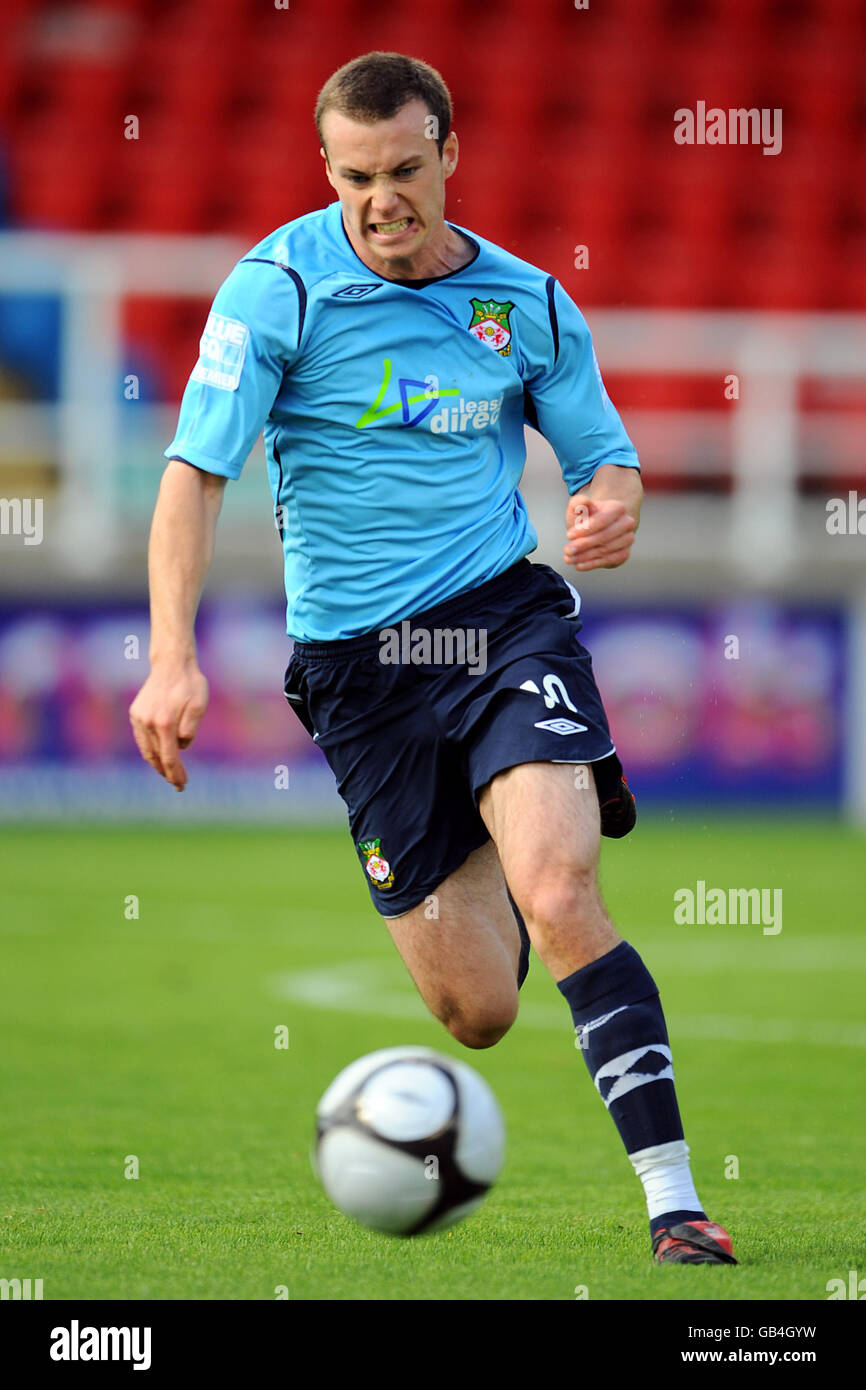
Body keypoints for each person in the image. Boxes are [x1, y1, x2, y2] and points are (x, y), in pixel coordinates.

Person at [129, 51, 735, 1267]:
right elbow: (193, 476)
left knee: (562, 894)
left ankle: (674, 1202)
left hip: (501, 621)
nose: (380, 201)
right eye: (354, 176)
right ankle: (507, 814)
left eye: (404, 170)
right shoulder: (275, 289)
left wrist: (612, 500)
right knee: (480, 1012)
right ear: (326, 169)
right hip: (360, 673)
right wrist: (170, 656)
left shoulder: (525, 303)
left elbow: (603, 456)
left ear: (449, 152)